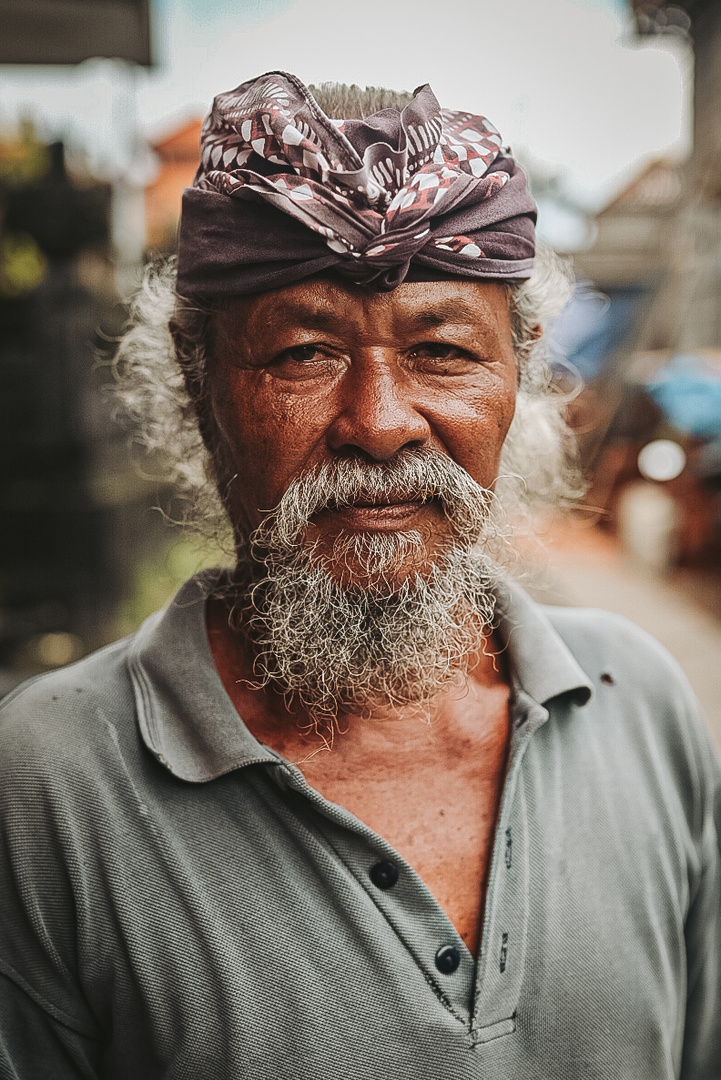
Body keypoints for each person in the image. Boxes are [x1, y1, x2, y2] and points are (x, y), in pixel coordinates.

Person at [0, 70, 719, 1080]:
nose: (379, 423)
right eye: (302, 352)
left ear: (520, 374)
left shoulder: (640, 705)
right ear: (200, 379)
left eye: (441, 350)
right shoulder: (49, 781)